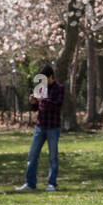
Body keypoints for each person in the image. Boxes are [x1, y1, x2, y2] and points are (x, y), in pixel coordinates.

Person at [17, 63, 62, 192]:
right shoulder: (41, 88)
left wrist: (42, 99)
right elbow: (37, 108)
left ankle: (52, 183)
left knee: (53, 157)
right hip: (40, 126)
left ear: (50, 77)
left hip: (53, 127)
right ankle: (30, 183)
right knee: (32, 156)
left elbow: (57, 105)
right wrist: (33, 103)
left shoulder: (59, 88)